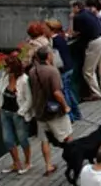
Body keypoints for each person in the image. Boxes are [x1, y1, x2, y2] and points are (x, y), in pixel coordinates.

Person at [28, 46, 72, 175]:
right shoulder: (52, 71)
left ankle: (48, 165)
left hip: (40, 111)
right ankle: (71, 160)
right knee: (67, 136)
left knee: (44, 140)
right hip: (55, 111)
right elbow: (57, 92)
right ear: (48, 56)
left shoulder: (32, 72)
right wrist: (65, 106)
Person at [0, 54, 33, 175]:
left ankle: (28, 162)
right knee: (7, 139)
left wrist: (21, 112)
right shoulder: (4, 76)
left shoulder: (24, 80)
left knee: (22, 139)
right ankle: (16, 163)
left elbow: (29, 99)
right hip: (5, 111)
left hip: (18, 113)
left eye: (6, 66)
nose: (4, 69)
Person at [75, 0, 101, 100]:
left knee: (88, 71)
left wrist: (71, 18)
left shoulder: (78, 17)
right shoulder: (90, 13)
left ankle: (96, 93)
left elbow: (75, 32)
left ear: (76, 8)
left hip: (95, 41)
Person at [46, 19, 81, 121]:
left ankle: (71, 116)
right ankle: (77, 113)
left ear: (51, 29)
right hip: (69, 66)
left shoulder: (54, 41)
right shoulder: (61, 38)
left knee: (65, 93)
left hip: (63, 69)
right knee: (69, 91)